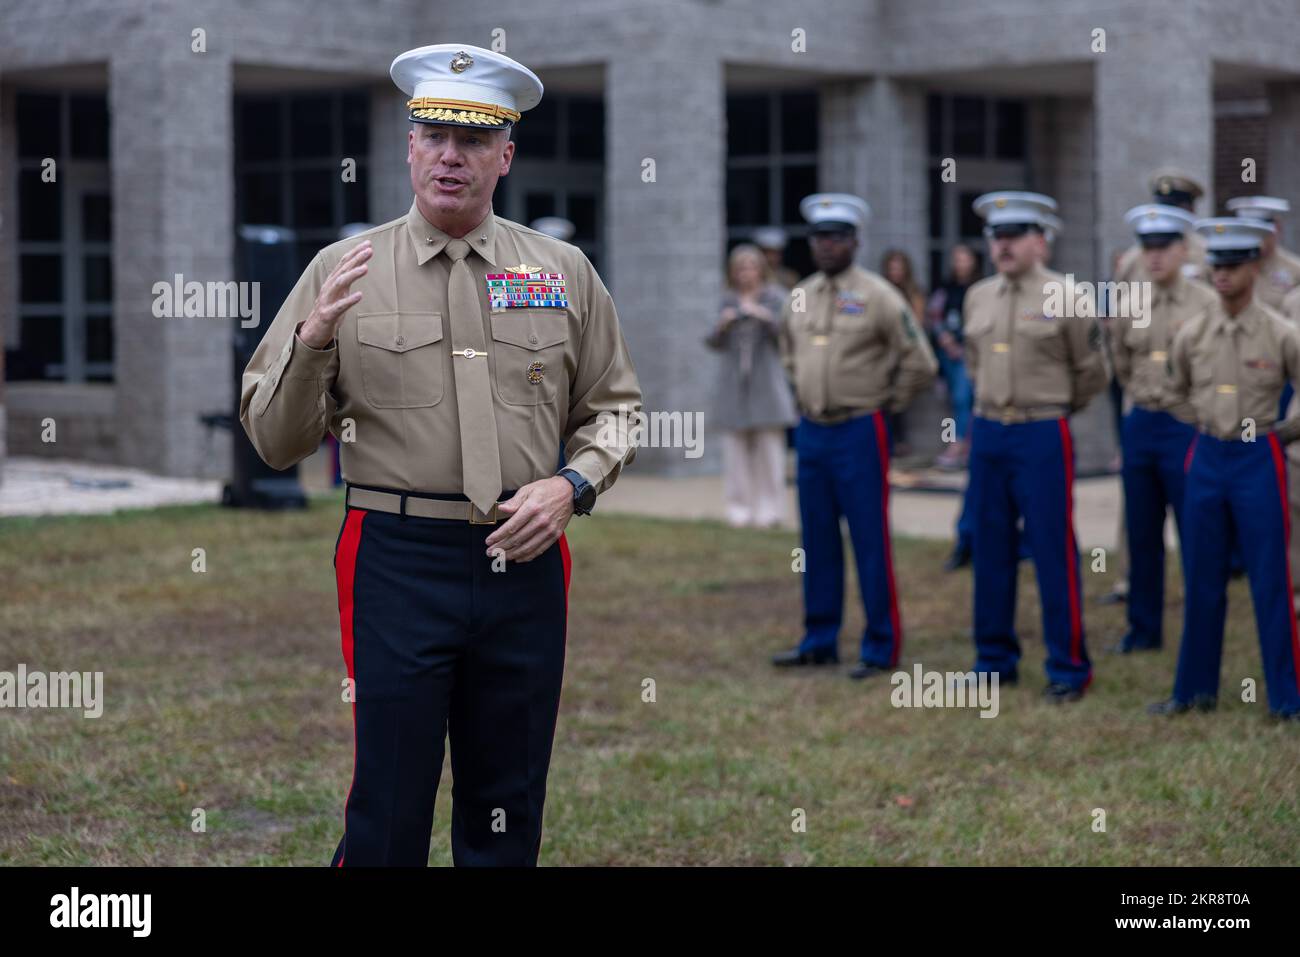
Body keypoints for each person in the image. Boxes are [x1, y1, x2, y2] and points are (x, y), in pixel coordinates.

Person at [240, 43, 643, 866]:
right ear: (411, 146)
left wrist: (573, 485)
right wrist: (314, 339)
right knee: (388, 805)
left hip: (524, 557)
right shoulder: (341, 269)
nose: (451, 156)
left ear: (505, 154)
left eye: (473, 140)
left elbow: (615, 409)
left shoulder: (560, 271)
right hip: (395, 557)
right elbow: (273, 442)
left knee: (508, 800)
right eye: (434, 135)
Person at [771, 193, 937, 678]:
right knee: (816, 538)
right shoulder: (799, 295)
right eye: (820, 237)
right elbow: (787, 351)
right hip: (812, 431)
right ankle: (819, 639)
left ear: (855, 241)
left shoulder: (879, 294)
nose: (827, 245)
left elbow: (920, 361)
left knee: (869, 539)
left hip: (860, 429)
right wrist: (803, 387)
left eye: (837, 237)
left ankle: (880, 646)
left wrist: (887, 400)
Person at [1149, 217, 1300, 719]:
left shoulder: (1281, 334)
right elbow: (1172, 388)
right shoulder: (1192, 334)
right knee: (1201, 575)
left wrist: (1284, 433)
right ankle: (1193, 691)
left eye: (1233, 265)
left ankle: (1286, 696)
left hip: (1259, 455)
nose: (1222, 275)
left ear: (1254, 267)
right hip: (1209, 454)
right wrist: (1205, 422)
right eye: (1216, 264)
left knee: (1269, 577)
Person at [962, 191, 1108, 702]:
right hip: (989, 432)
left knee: (1050, 547)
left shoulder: (1068, 296)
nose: (1002, 245)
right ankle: (993, 660)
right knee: (990, 545)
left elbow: (1091, 372)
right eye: (996, 236)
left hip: (1041, 431)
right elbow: (974, 365)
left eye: (1014, 234)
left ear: (1040, 240)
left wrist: (1054, 408)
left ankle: (1068, 667)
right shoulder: (978, 296)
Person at [1109, 204, 1216, 653]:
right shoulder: (1130, 297)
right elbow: (1118, 357)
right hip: (1142, 421)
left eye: (1163, 247)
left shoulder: (1205, 301)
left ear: (1183, 248)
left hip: (1184, 423)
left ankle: (1201, 627)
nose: (1154, 257)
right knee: (1141, 529)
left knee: (1194, 530)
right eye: (1147, 248)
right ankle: (1143, 628)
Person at [706, 244, 798, 527]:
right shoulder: (727, 300)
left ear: (761, 269)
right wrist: (723, 325)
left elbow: (789, 335)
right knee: (735, 452)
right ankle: (739, 509)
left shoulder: (776, 297)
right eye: (740, 268)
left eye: (751, 267)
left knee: (770, 452)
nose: (746, 273)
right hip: (735, 385)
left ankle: (769, 510)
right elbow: (712, 342)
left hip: (766, 384)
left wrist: (762, 315)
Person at [1114, 168, 1209, 284]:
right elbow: (1119, 298)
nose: (1166, 217)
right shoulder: (1134, 257)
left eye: (1173, 211)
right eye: (1162, 209)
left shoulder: (1206, 252)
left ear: (1190, 210)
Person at [881, 249, 926, 458]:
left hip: (905, 353)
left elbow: (916, 328)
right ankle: (887, 440)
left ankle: (900, 440)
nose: (895, 272)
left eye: (899, 268)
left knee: (900, 396)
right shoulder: (880, 292)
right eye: (892, 268)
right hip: (884, 353)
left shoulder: (913, 294)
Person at [1224, 196, 1300, 313]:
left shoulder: (1295, 270)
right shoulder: (1228, 268)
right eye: (1247, 231)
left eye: (1260, 231)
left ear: (1276, 228)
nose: (1254, 237)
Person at [754, 225, 801, 290]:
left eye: (775, 253)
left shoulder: (790, 277)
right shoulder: (752, 275)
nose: (770, 257)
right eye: (766, 253)